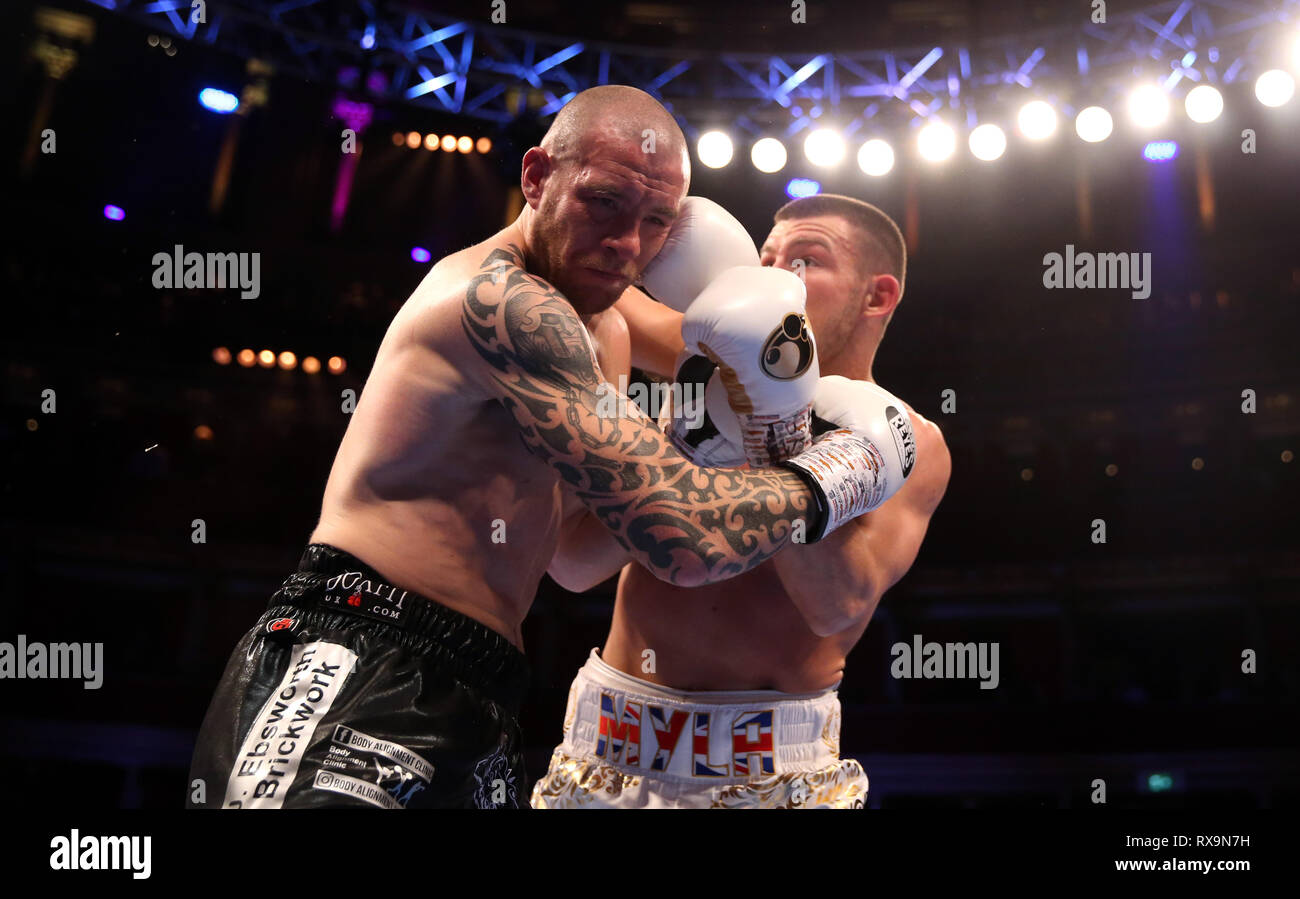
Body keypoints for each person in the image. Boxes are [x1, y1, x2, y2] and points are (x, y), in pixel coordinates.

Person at [186, 87, 895, 809]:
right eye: (604, 202)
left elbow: (576, 557)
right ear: (535, 177)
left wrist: (699, 436)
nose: (628, 243)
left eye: (656, 221)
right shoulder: (504, 304)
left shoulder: (606, 331)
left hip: (483, 682)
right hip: (363, 644)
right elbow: (686, 537)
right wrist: (839, 471)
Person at [531, 194, 951, 808]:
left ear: (876, 296)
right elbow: (570, 564)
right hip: (608, 745)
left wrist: (774, 436)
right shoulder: (704, 367)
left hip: (768, 769)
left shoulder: (907, 440)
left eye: (805, 261)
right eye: (766, 258)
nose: (775, 277)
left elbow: (836, 605)